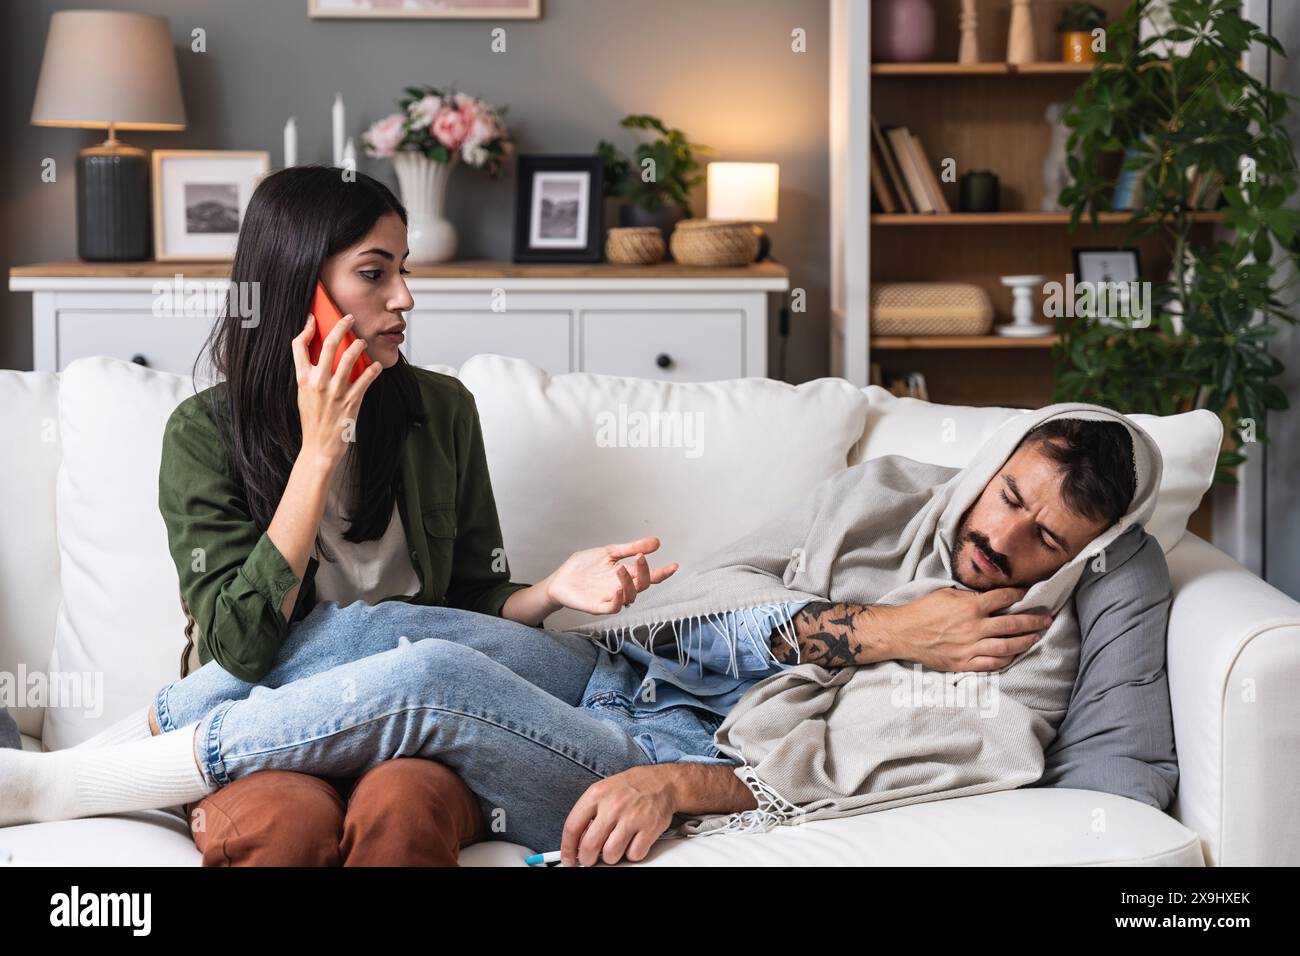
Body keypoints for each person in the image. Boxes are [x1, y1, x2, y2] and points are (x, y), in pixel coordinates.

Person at [1, 409, 1166, 867]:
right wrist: (860, 623)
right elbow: (716, 601)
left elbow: (858, 782)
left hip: (649, 751)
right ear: (990, 466)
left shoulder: (1016, 647)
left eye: (1046, 536)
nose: (1003, 538)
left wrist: (681, 781)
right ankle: (97, 755)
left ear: (1075, 556)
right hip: (619, 671)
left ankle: (62, 784)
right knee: (366, 619)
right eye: (1009, 495)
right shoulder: (887, 495)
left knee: (436, 674)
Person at [58, 165, 677, 866]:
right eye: (375, 274)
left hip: (413, 726)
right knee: (284, 825)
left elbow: (467, 606)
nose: (405, 298)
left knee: (404, 809)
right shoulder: (202, 436)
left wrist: (547, 593)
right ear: (301, 287)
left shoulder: (440, 411)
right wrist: (317, 458)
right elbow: (242, 650)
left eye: (403, 271)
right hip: (271, 716)